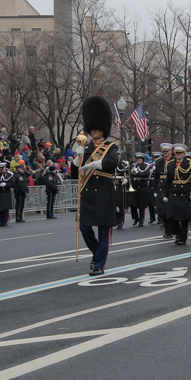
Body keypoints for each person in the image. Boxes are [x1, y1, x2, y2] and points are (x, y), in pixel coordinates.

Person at [70, 97, 121, 275]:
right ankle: (97, 252)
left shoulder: (110, 146)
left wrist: (94, 164)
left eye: (97, 128)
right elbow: (73, 172)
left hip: (104, 193)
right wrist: (77, 157)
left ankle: (99, 264)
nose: (94, 131)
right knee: (84, 227)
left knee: (103, 231)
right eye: (92, 128)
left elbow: (113, 161)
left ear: (103, 129)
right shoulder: (86, 147)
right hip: (88, 193)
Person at [162, 144, 191, 246]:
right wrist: (165, 194)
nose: (178, 155)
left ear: (184, 154)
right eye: (176, 153)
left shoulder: (190, 164)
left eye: (180, 153)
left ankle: (183, 237)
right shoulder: (171, 164)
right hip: (174, 192)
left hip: (185, 192)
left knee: (184, 218)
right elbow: (168, 181)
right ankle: (177, 233)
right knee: (172, 216)